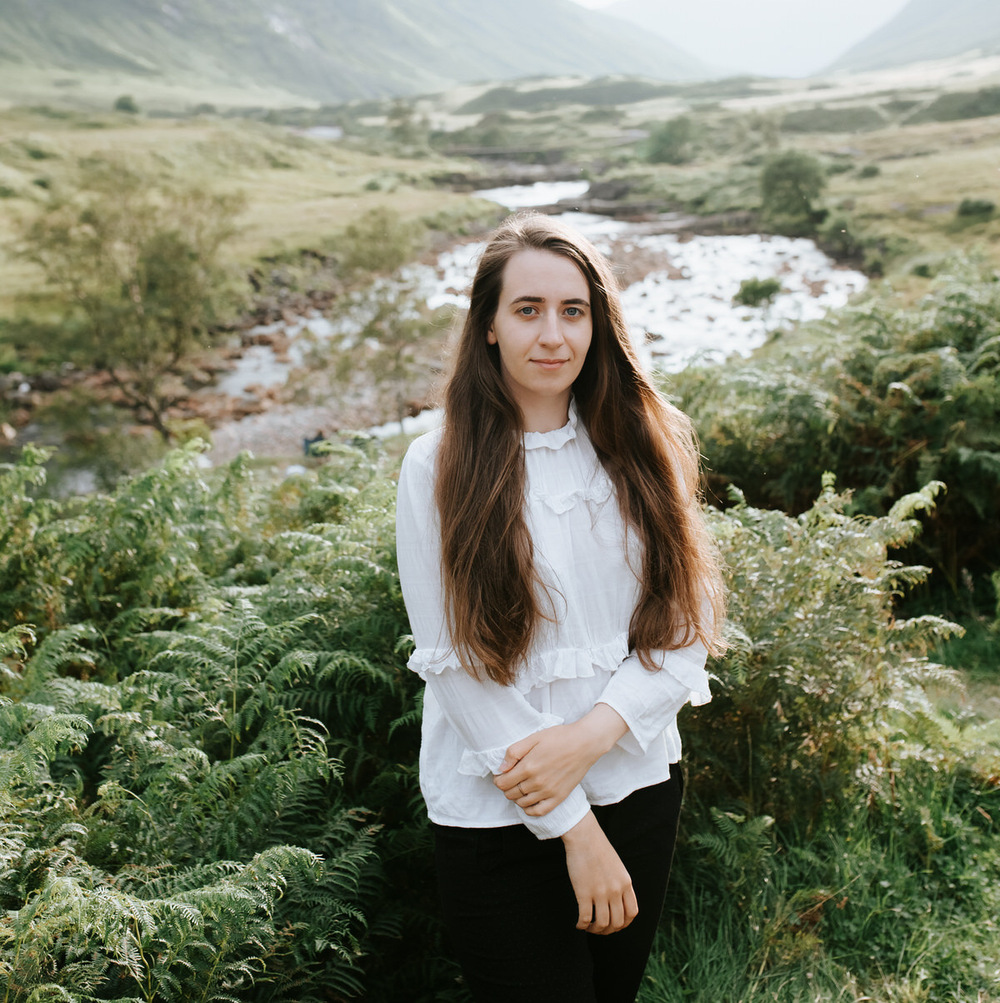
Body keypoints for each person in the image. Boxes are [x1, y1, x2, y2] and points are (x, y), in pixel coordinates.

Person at [395, 213, 726, 1003]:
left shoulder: (644, 442)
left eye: (573, 310)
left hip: (639, 788)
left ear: (598, 323)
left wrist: (588, 738)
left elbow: (682, 633)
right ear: (488, 327)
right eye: (528, 309)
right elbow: (456, 664)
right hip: (494, 810)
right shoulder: (436, 465)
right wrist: (574, 826)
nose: (553, 334)